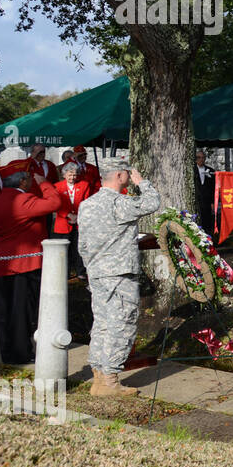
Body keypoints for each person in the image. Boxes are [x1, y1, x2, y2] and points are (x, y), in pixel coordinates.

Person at [79, 157, 160, 396]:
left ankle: (98, 377)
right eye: (126, 172)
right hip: (119, 274)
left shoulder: (87, 205)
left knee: (102, 324)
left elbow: (82, 245)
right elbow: (152, 203)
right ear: (119, 176)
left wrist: (90, 268)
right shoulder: (119, 203)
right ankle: (111, 381)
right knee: (121, 325)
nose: (128, 175)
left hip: (97, 273)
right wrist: (142, 182)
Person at [0, 168, 62, 364]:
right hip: (22, 264)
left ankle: (8, 352)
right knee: (21, 310)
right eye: (29, 180)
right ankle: (21, 352)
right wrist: (45, 183)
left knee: (4, 311)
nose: (31, 183)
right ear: (22, 182)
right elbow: (55, 203)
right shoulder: (22, 200)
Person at [53, 160, 93, 280]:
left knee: (79, 248)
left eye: (74, 175)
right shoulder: (57, 186)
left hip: (79, 222)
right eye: (70, 175)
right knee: (64, 250)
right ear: (64, 175)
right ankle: (64, 273)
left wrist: (78, 216)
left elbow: (86, 203)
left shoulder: (84, 185)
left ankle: (80, 272)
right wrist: (68, 215)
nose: (72, 177)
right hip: (63, 222)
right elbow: (56, 204)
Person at [193, 149, 217, 236]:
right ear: (195, 159)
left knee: (207, 221)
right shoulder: (192, 170)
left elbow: (213, 187)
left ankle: (208, 238)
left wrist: (213, 202)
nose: (201, 159)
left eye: (203, 157)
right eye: (199, 157)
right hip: (196, 200)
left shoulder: (210, 170)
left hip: (207, 201)